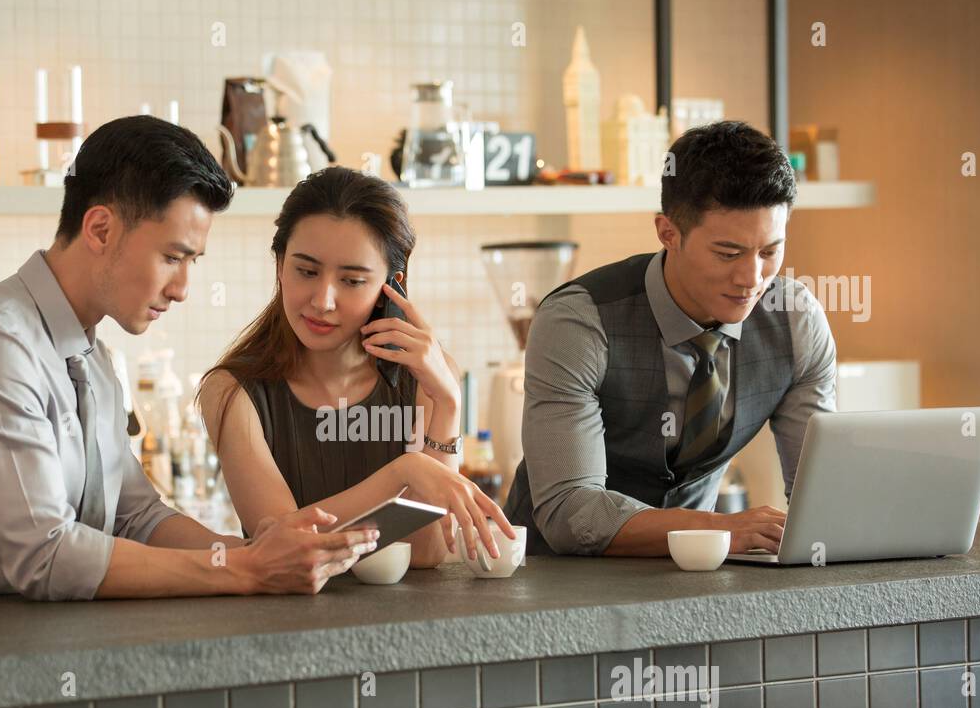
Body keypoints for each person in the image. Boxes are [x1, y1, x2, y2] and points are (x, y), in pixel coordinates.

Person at [0, 117, 378, 602]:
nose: (182, 289)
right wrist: (247, 570)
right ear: (99, 230)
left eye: (192, 263)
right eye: (172, 257)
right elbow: (44, 556)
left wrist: (259, 555)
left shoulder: (91, 357)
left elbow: (137, 517)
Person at [505, 120, 837, 557]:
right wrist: (720, 530)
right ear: (668, 233)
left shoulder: (794, 322)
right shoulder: (578, 321)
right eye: (728, 253)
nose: (752, 279)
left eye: (770, 251)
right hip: (557, 583)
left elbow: (823, 498)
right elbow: (572, 513)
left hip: (697, 580)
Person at [199, 166, 514, 565]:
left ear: (392, 285)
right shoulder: (231, 392)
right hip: (283, 624)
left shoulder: (427, 378)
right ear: (280, 266)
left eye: (351, 280)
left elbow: (427, 554)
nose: (323, 300)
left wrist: (448, 405)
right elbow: (282, 546)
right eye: (306, 271)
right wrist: (403, 473)